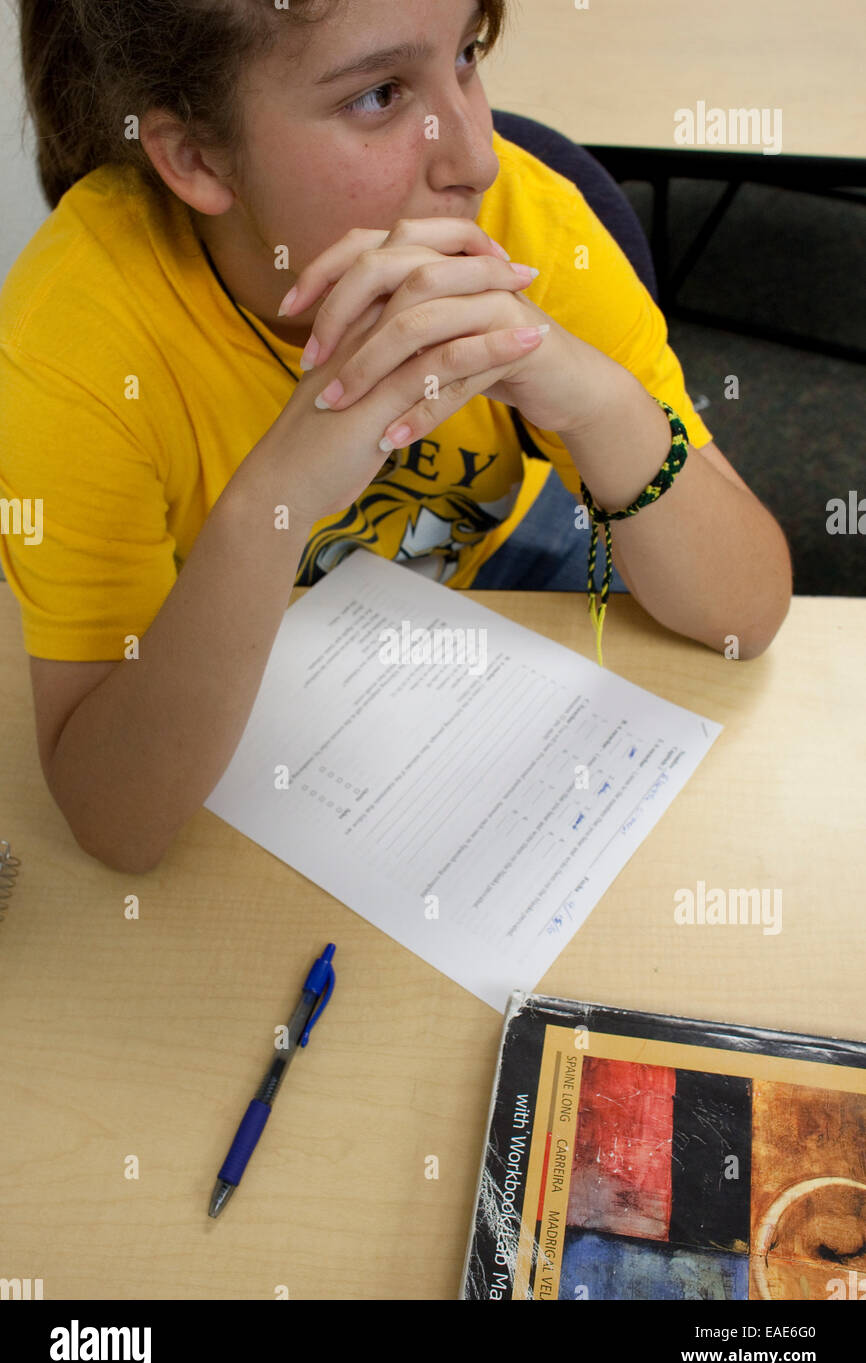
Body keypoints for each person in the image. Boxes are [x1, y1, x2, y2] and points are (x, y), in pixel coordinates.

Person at [0, 0, 792, 874]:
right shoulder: (69, 346)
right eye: (379, 95)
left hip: (498, 567)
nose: (475, 158)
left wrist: (593, 397)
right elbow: (117, 824)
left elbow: (745, 617)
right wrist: (273, 501)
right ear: (196, 157)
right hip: (240, 645)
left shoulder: (525, 223)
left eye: (468, 53)